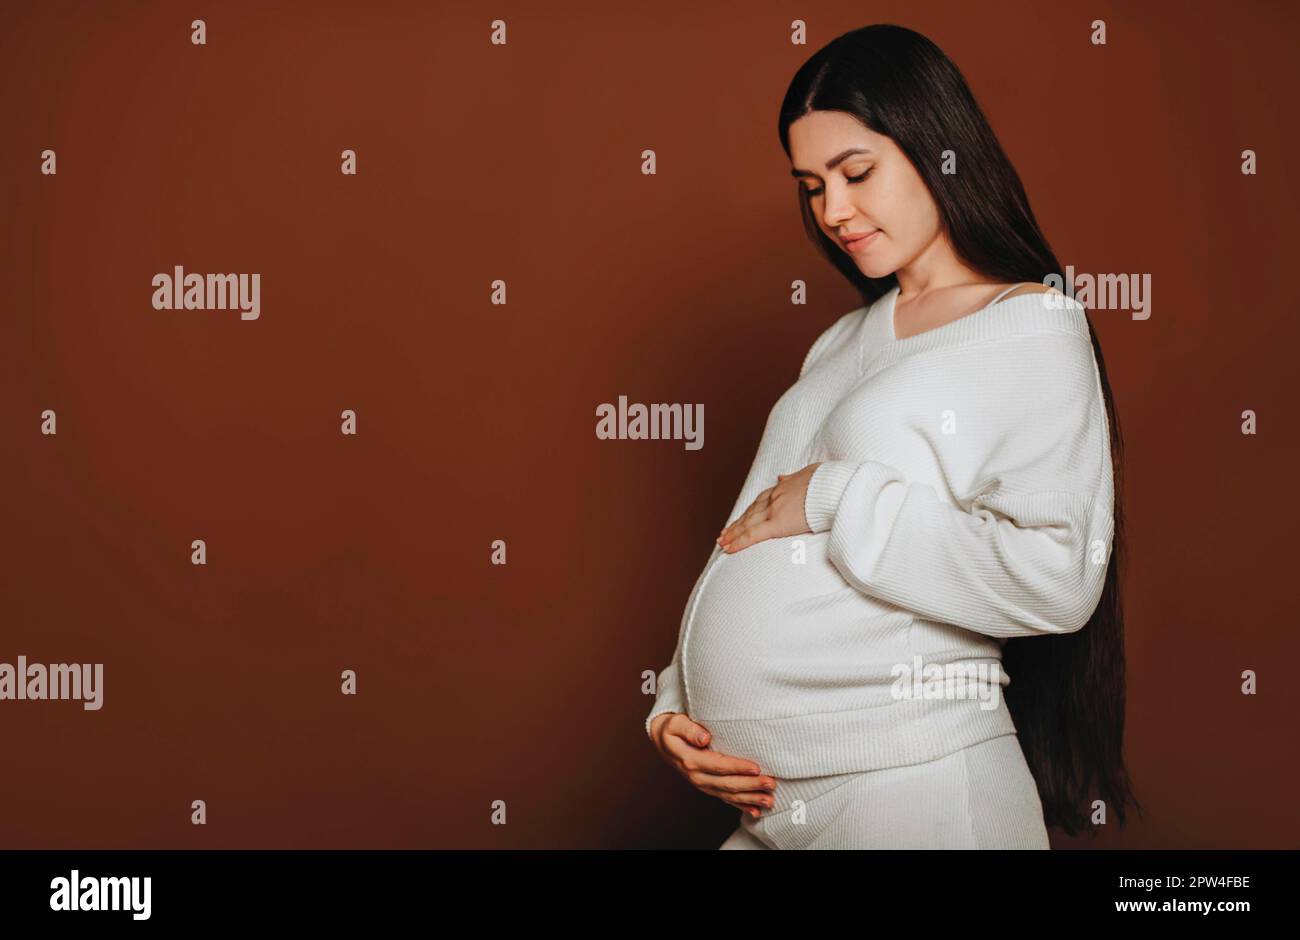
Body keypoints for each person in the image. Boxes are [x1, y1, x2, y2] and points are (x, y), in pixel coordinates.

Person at [646, 23, 1141, 849]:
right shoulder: (840, 345)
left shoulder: (1029, 327)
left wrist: (841, 498)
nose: (833, 212)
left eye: (857, 173)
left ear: (937, 148)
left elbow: (1059, 575)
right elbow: (747, 531)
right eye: (811, 186)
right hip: (771, 806)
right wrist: (674, 707)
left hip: (911, 792)